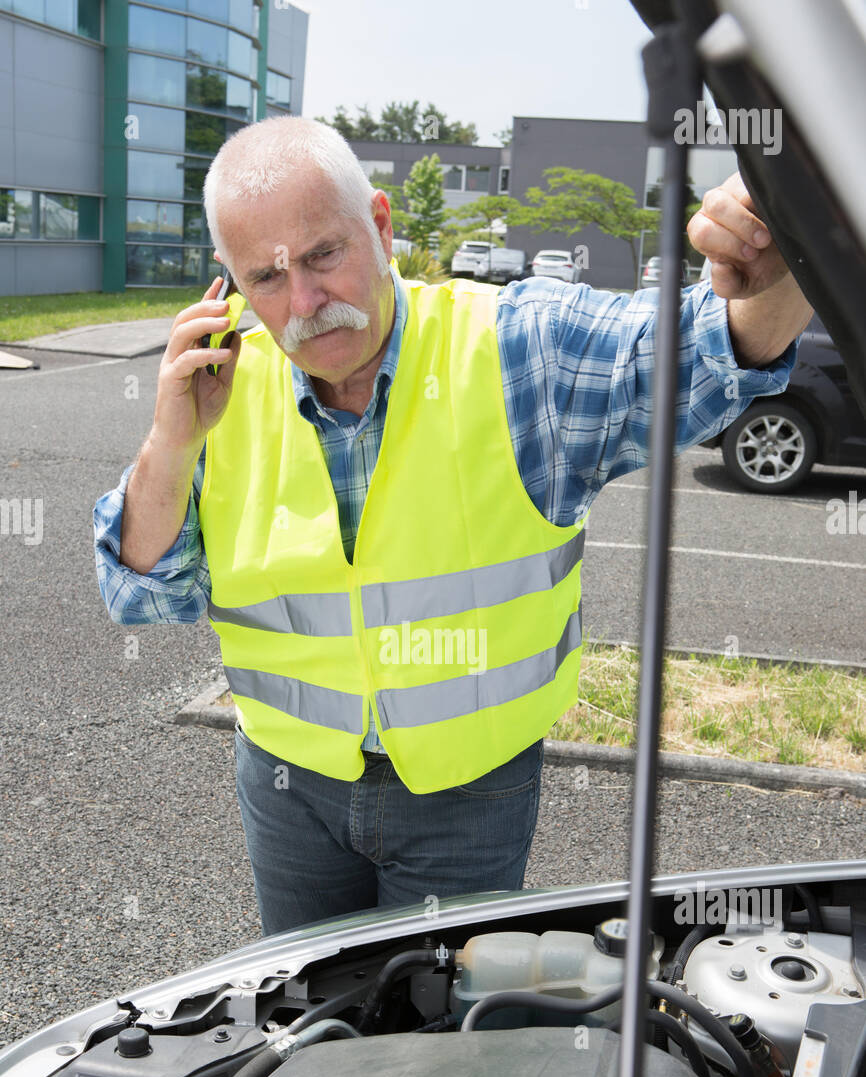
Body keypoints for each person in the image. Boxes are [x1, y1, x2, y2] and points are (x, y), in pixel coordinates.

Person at [94, 116, 811, 937]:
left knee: (441, 1038)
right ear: (226, 285)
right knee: (309, 1023)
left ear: (383, 225)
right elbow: (141, 592)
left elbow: (718, 345)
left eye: (325, 254)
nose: (303, 304)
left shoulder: (515, 350)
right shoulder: (219, 392)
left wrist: (786, 248)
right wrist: (171, 439)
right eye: (265, 276)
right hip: (289, 783)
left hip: (470, 788)